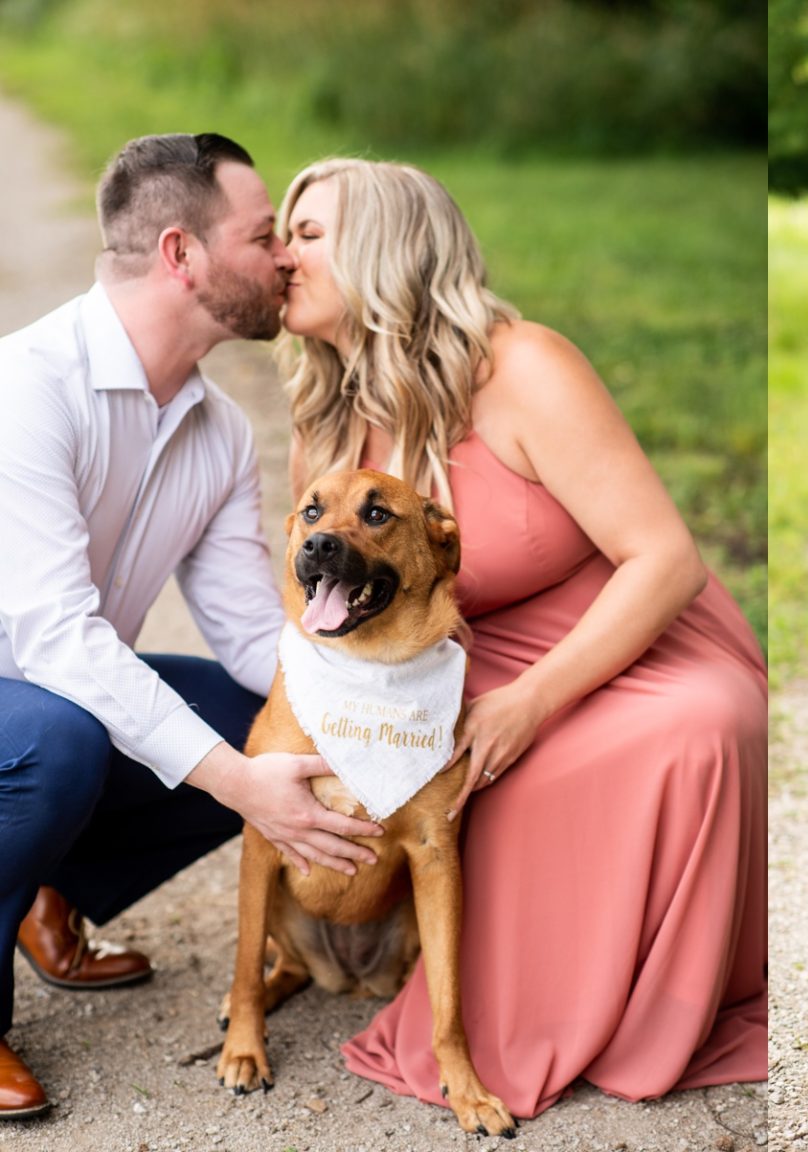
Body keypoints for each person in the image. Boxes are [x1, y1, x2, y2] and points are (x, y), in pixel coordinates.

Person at [275, 158, 767, 1118]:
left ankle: (641, 1004)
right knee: (432, 766)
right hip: (443, 663)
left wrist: (535, 700)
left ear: (384, 251)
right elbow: (309, 617)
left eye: (308, 235)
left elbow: (665, 560)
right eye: (281, 235)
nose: (281, 257)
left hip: (615, 640)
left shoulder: (523, 367)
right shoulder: (327, 418)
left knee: (703, 725)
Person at [0, 133, 385, 1120]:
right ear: (182, 254)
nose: (289, 258)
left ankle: (44, 886)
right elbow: (56, 643)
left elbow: (255, 635)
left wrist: (388, 710)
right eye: (265, 237)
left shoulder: (215, 429)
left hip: (40, 709)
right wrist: (241, 783)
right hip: (30, 709)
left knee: (247, 714)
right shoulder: (29, 387)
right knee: (66, 736)